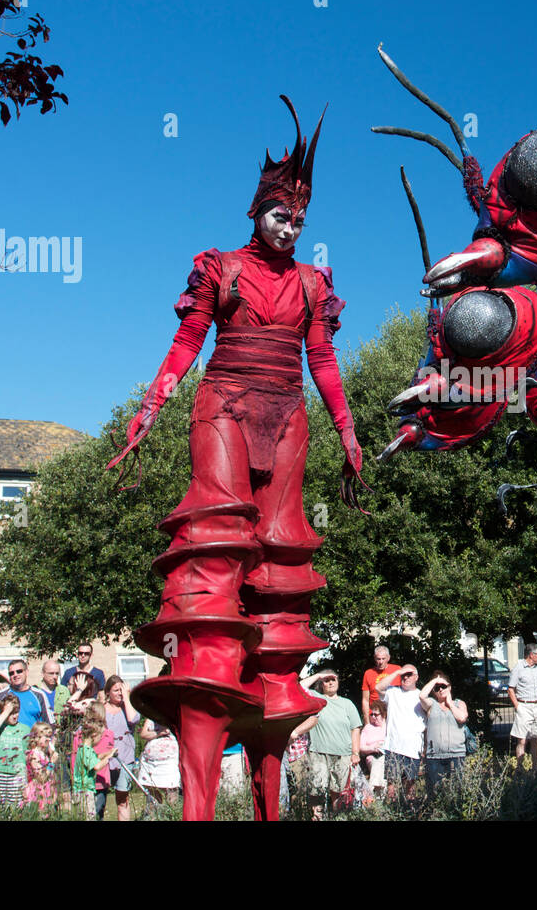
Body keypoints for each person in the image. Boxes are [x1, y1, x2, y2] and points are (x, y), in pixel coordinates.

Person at [106, 96, 367, 820]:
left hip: (288, 418)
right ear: (257, 211)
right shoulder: (218, 267)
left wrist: (347, 433)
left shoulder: (314, 285)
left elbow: (325, 360)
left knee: (281, 564)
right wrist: (149, 409)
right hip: (222, 404)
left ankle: (270, 753)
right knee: (217, 546)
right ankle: (199, 774)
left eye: (301, 221)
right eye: (283, 216)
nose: (292, 228)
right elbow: (187, 345)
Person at [297, 669, 362, 819]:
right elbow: (300, 687)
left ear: (338, 682)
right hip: (318, 753)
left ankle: (337, 816)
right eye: (327, 680)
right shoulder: (316, 698)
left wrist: (355, 753)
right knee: (317, 789)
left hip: (343, 754)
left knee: (338, 790)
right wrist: (320, 675)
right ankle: (317, 817)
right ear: (322, 684)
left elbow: (355, 729)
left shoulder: (347, 704)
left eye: (333, 679)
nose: (330, 682)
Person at [376, 664, 425, 800]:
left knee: (410, 786)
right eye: (404, 675)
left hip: (412, 748)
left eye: (409, 674)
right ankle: (391, 812)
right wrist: (397, 672)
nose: (406, 677)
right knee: (391, 787)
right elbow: (378, 687)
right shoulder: (392, 692)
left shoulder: (421, 696)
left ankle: (409, 813)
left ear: (416, 677)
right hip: (393, 746)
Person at [419, 670, 467, 787]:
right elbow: (422, 695)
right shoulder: (431, 704)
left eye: (443, 686)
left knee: (457, 792)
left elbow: (461, 718)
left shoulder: (459, 704)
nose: (440, 689)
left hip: (456, 756)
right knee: (435, 794)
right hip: (435, 757)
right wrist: (436, 680)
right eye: (437, 688)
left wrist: (450, 703)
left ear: (449, 687)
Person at [103, 675, 139, 821]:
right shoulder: (102, 709)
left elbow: (133, 719)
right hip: (105, 759)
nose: (119, 693)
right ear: (108, 693)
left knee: (122, 797)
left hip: (124, 758)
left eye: (121, 690)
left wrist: (127, 697)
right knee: (100, 796)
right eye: (116, 690)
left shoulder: (127, 707)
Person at [0, 693, 30, 807]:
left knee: (15, 808)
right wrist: (5, 712)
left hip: (16, 775)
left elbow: (27, 754)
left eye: (16, 712)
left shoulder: (25, 729)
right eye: (11, 713)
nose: (14, 716)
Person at [0, 659, 53, 730]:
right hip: (7, 740)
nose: (15, 675)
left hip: (32, 739)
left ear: (26, 672)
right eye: (12, 673)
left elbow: (49, 724)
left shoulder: (39, 695)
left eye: (19, 671)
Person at [508, 644, 537, 772]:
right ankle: (519, 769)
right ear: (531, 655)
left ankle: (535, 769)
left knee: (535, 739)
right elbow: (510, 689)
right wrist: (518, 707)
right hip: (524, 705)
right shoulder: (518, 668)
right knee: (522, 740)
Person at [72, 716, 115, 820]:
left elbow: (96, 757)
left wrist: (107, 753)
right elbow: (97, 766)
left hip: (80, 790)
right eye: (101, 737)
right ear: (94, 735)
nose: (101, 739)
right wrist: (109, 757)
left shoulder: (83, 748)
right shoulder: (86, 751)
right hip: (85, 791)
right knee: (89, 817)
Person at [138, 719, 180, 805]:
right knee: (152, 793)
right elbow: (143, 734)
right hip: (151, 763)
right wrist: (159, 733)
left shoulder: (174, 716)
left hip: (169, 762)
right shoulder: (150, 718)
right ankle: (155, 815)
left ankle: (172, 816)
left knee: (171, 790)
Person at [361, 646, 402, 721]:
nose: (381, 662)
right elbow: (365, 700)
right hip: (375, 715)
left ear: (388, 658)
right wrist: (367, 722)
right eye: (378, 659)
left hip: (394, 714)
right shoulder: (368, 673)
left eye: (383, 659)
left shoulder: (397, 670)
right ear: (374, 658)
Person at [23, 722, 57, 812]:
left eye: (49, 737)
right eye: (45, 736)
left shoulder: (44, 754)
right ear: (36, 738)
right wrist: (52, 763)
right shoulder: (34, 754)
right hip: (37, 792)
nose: (48, 739)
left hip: (46, 790)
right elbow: (41, 777)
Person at [358, 699, 387, 800]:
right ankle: (377, 795)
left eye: (376, 714)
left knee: (382, 761)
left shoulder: (389, 727)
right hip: (372, 756)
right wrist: (372, 748)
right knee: (377, 763)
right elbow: (361, 747)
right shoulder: (368, 728)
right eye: (372, 714)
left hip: (386, 757)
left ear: (383, 714)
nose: (373, 717)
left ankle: (371, 792)